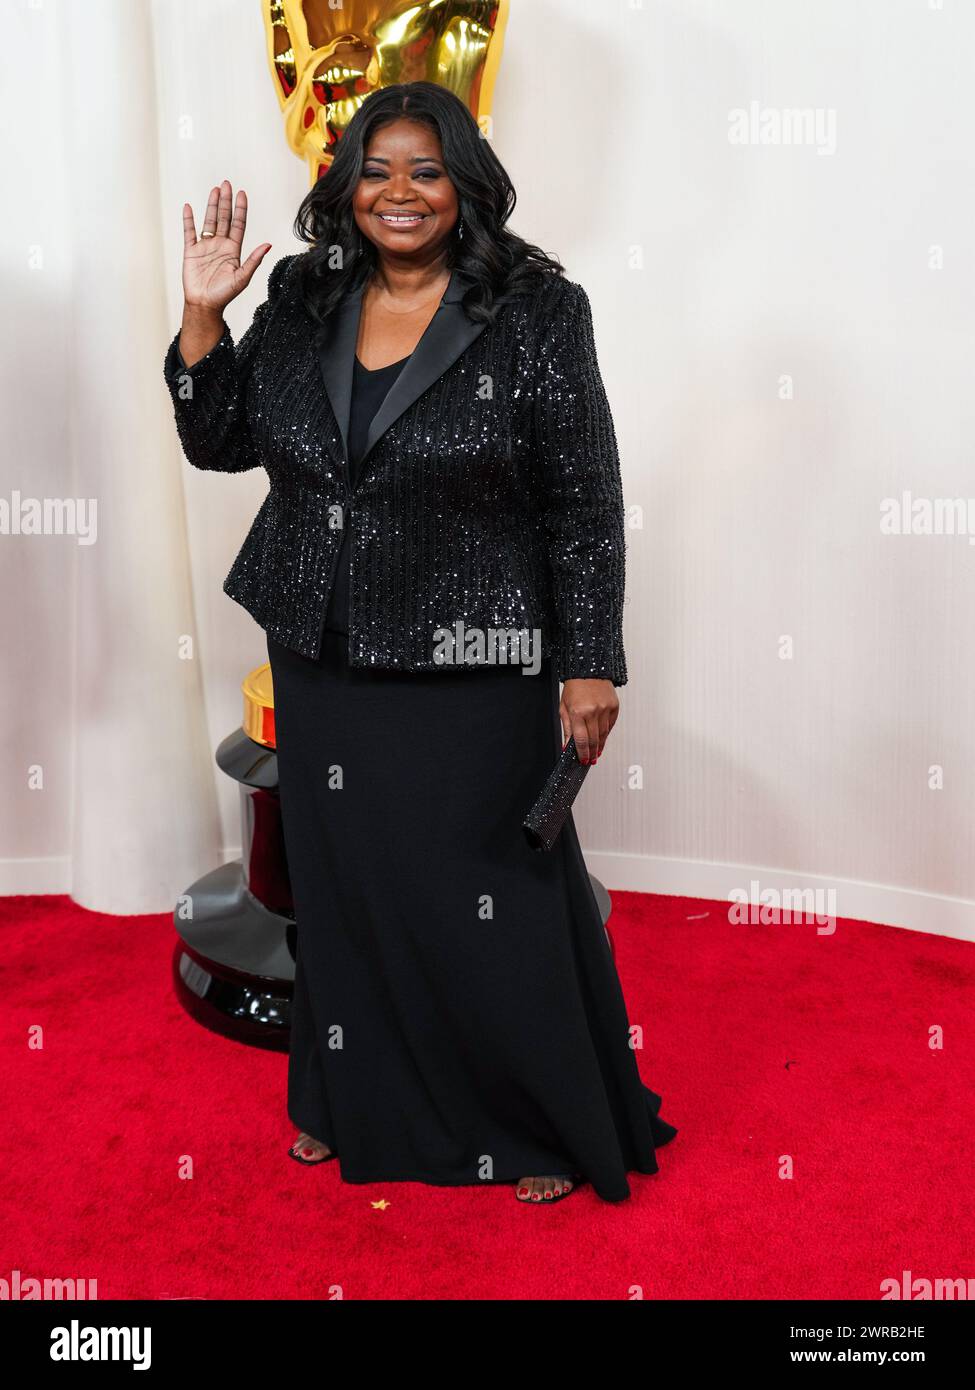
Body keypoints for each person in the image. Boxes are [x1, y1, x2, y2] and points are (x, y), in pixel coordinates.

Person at [163, 81, 677, 1205]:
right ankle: (345, 1101)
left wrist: (591, 656)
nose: (400, 193)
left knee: (488, 891)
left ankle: (532, 1122)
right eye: (377, 170)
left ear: (465, 185)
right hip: (326, 648)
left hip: (475, 653)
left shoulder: (540, 307)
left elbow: (584, 497)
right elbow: (218, 442)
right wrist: (203, 316)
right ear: (345, 183)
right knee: (345, 889)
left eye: (426, 170)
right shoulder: (305, 291)